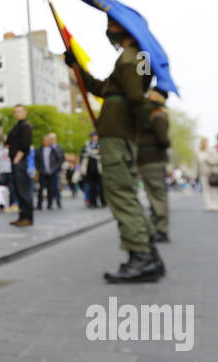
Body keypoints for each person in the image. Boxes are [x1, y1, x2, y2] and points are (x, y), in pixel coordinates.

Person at [68, 19, 160, 281]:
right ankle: (147, 254)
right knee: (127, 193)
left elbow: (135, 93)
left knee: (121, 194)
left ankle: (141, 258)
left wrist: (141, 125)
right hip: (121, 133)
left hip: (117, 134)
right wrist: (77, 66)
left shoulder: (134, 56)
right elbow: (103, 89)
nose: (110, 31)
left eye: (114, 25)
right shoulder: (137, 57)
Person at [137, 87, 171, 242]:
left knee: (157, 195)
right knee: (153, 195)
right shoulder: (153, 114)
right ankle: (156, 227)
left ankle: (161, 229)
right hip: (147, 160)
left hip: (153, 160)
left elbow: (163, 140)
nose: (148, 95)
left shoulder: (158, 115)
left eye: (151, 93)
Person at [8, 104, 33, 226]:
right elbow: (7, 142)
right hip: (15, 161)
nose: (17, 113)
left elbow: (25, 146)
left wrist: (16, 160)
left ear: (25, 112)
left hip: (19, 161)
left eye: (20, 111)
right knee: (18, 190)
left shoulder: (25, 126)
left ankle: (28, 218)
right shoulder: (16, 127)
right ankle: (22, 216)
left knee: (23, 191)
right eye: (16, 112)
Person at [37, 132, 64, 209]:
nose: (48, 141)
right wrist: (39, 169)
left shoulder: (55, 149)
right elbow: (37, 160)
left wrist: (54, 169)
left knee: (52, 188)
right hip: (42, 172)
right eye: (46, 140)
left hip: (53, 172)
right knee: (41, 189)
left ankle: (51, 203)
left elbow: (60, 159)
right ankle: (39, 204)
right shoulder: (39, 149)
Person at [196, 137, 218, 211]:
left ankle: (216, 204)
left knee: (214, 189)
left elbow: (217, 160)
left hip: (212, 172)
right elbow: (196, 164)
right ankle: (208, 205)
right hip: (203, 173)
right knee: (205, 190)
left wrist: (208, 160)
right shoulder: (198, 151)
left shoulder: (212, 150)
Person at [80, 131, 103, 207]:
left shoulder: (101, 145)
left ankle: (103, 202)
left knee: (101, 186)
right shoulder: (87, 145)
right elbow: (82, 155)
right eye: (93, 136)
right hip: (89, 169)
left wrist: (98, 152)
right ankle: (92, 202)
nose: (94, 138)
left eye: (95, 136)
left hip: (99, 169)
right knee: (91, 186)